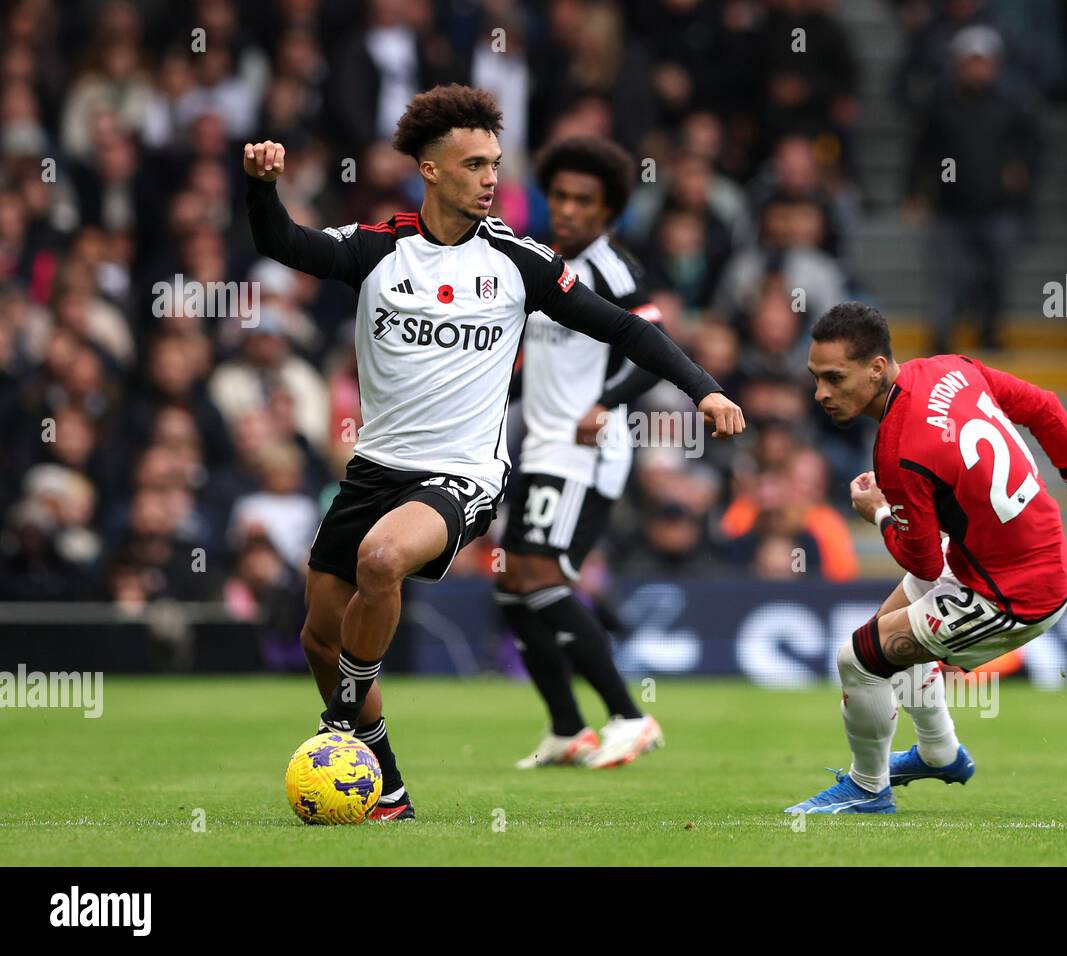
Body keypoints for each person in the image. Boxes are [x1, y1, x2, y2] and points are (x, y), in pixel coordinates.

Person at [244, 84, 744, 820]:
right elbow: (281, 243)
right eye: (475, 163)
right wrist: (261, 189)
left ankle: (339, 727)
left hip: (464, 476)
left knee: (383, 563)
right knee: (321, 636)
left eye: (496, 164)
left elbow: (630, 330)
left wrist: (704, 390)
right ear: (431, 169)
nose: (491, 179)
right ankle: (388, 786)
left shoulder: (520, 262)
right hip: (374, 470)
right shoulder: (376, 250)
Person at [787, 302, 1067, 814]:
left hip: (1014, 595)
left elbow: (919, 563)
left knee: (857, 659)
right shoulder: (948, 369)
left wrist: (876, 513)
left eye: (834, 378)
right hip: (1022, 553)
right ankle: (940, 753)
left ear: (877, 367)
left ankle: (867, 790)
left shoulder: (899, 448)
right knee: (885, 640)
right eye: (815, 378)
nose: (821, 394)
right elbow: (1043, 405)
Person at [496, 136, 668, 769]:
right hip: (541, 447)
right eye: (559, 196)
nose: (567, 210)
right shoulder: (539, 262)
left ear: (608, 214)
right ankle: (568, 727)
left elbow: (655, 350)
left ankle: (630, 716)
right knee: (512, 590)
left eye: (583, 202)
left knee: (539, 577)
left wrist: (608, 402)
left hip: (584, 453)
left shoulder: (612, 270)